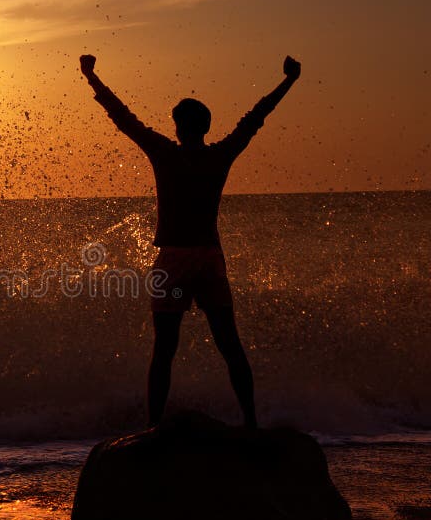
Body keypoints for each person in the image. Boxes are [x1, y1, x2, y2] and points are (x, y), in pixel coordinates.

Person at [80, 53, 301, 428]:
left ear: (179, 128)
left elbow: (123, 118)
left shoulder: (165, 153)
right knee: (229, 346)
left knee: (164, 350)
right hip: (209, 260)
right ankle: (250, 423)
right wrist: (288, 81)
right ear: (205, 127)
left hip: (175, 262)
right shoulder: (220, 155)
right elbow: (256, 118)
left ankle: (154, 427)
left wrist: (91, 76)